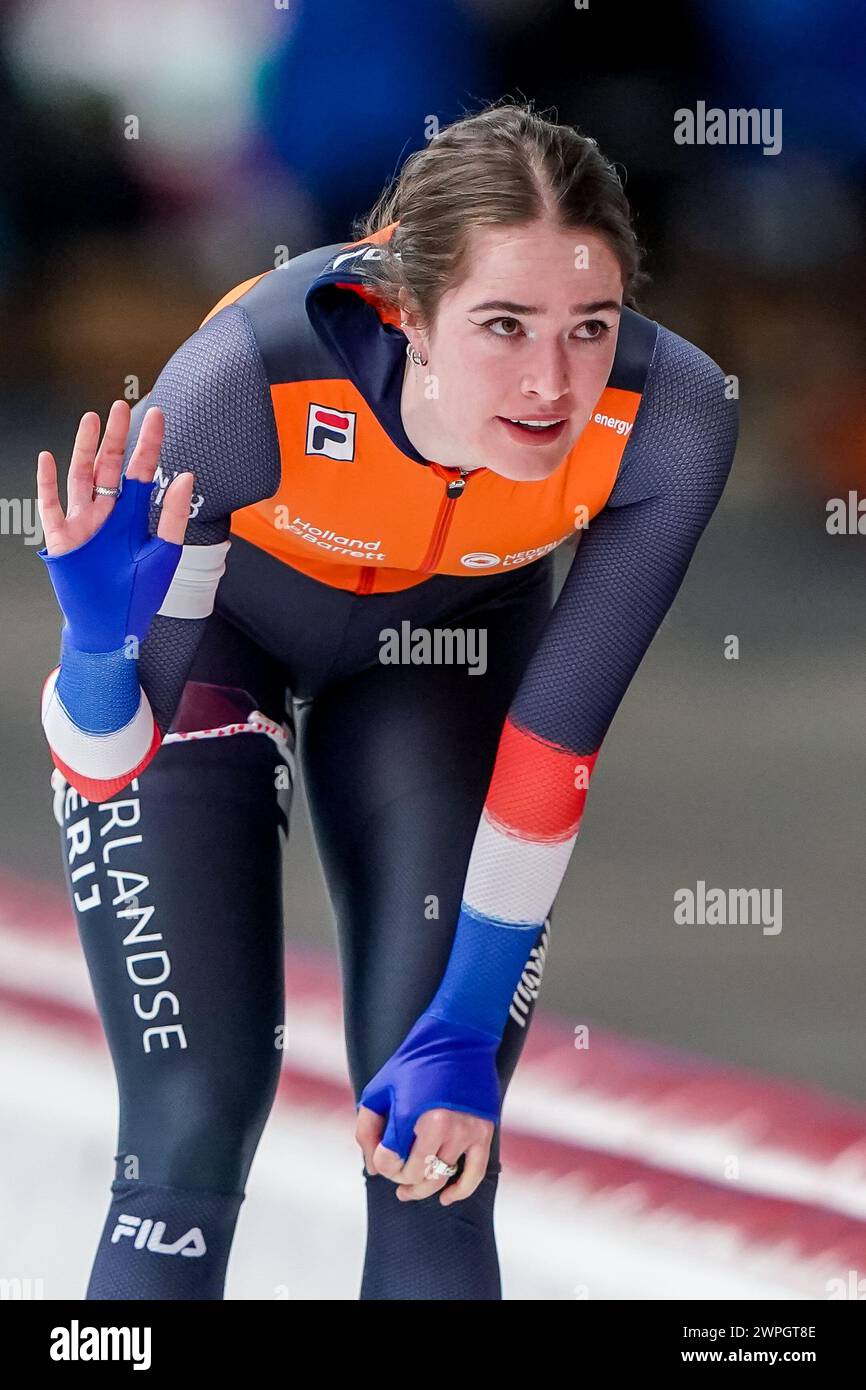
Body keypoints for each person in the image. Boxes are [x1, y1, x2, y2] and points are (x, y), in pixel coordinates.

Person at [36, 100, 738, 1300]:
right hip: (226, 640)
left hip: (441, 649)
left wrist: (465, 1023)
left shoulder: (668, 419)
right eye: (502, 325)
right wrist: (100, 648)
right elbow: (107, 762)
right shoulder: (243, 383)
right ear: (407, 313)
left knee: (434, 1146)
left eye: (590, 327)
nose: (549, 382)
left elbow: (552, 746)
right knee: (189, 1127)